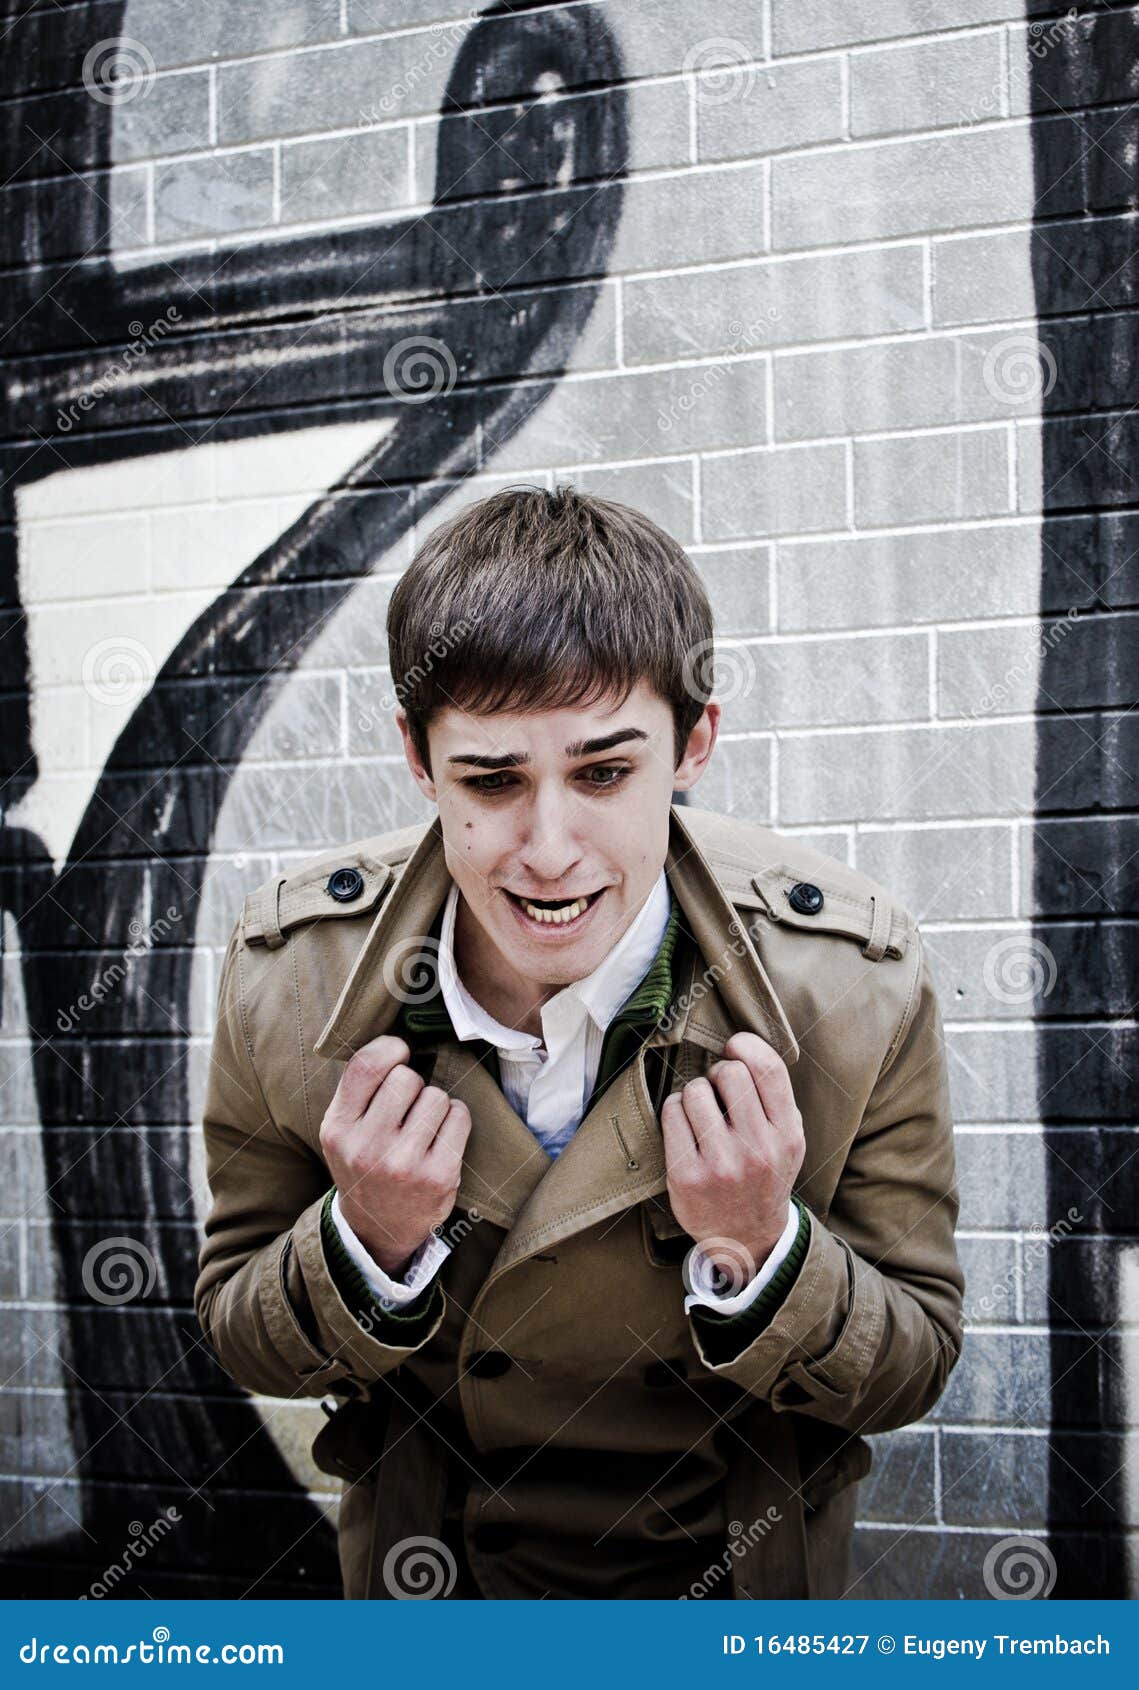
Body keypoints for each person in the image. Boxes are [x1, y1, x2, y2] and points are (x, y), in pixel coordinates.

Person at [194, 483, 964, 1601]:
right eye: (490, 779)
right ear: (417, 760)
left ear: (692, 742)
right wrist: (363, 1240)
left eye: (603, 772)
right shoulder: (290, 976)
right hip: (439, 1597)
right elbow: (239, 1329)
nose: (548, 849)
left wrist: (762, 1247)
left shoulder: (849, 985)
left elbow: (912, 1362)